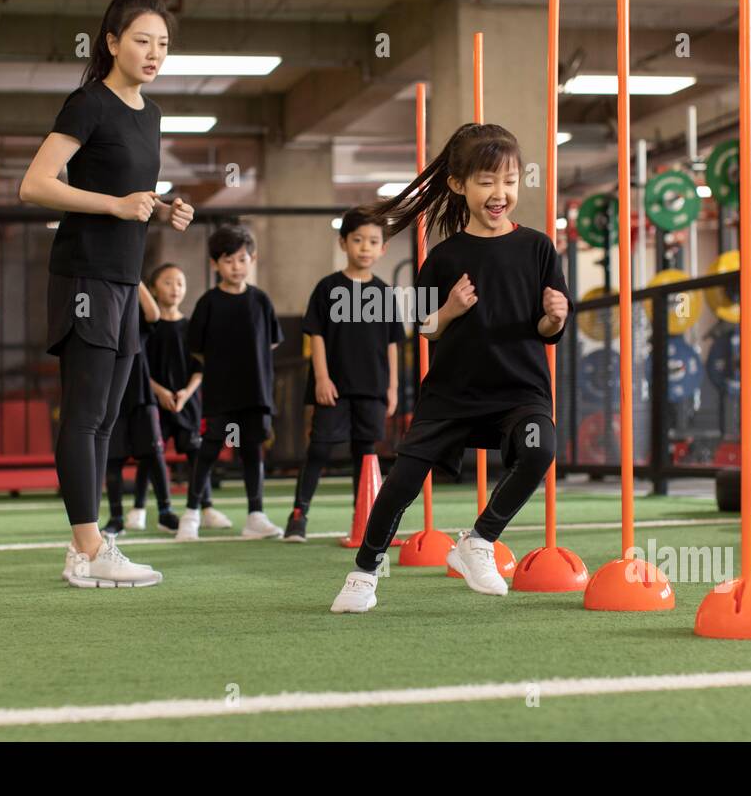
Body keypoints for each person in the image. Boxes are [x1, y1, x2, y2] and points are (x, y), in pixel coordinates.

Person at [329, 123, 572, 613]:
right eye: (486, 182)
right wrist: (449, 311)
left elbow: (548, 331)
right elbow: (424, 327)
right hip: (452, 394)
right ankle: (364, 571)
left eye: (508, 181)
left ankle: (479, 540)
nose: (499, 193)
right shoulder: (443, 258)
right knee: (401, 482)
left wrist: (553, 317)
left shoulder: (539, 248)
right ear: (459, 185)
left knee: (539, 447)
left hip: (519, 390)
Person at [20, 0, 194, 589]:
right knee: (85, 415)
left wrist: (162, 208)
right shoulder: (87, 102)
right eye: (142, 40)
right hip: (84, 276)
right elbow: (35, 185)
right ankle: (91, 546)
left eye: (164, 44)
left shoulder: (150, 112)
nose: (154, 53)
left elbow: (128, 196)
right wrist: (117, 205)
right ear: (112, 42)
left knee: (106, 417)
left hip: (124, 279)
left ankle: (82, 550)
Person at [284, 207, 404, 542]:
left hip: (373, 388)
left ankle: (364, 520)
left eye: (373, 241)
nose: (365, 247)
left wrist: (392, 387)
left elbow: (393, 343)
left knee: (365, 456)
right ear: (343, 243)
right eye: (358, 240)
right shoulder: (327, 288)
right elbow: (317, 336)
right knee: (319, 448)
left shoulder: (385, 293)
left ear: (383, 249)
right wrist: (322, 378)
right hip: (334, 387)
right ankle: (298, 516)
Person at [179, 224, 285, 541]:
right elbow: (195, 347)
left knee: (252, 450)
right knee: (211, 448)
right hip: (222, 395)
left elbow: (272, 342)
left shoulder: (261, 301)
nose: (235, 267)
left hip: (256, 393)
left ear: (252, 259)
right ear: (215, 264)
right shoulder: (208, 303)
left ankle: (255, 515)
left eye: (241, 259)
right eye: (228, 261)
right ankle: (191, 514)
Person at [141, 262, 230, 532]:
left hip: (186, 401)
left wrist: (184, 393)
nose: (175, 288)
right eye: (168, 282)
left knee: (196, 453)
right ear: (154, 288)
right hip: (155, 401)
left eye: (180, 282)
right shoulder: (148, 327)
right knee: (150, 453)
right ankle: (147, 508)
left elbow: (200, 368)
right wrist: (160, 392)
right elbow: (139, 367)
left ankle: (207, 507)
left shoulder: (191, 327)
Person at [100, 281, 177, 537]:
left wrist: (132, 274)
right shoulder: (99, 325)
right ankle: (116, 517)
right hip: (112, 400)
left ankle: (166, 512)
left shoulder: (137, 324)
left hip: (143, 398)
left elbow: (153, 313)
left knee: (154, 454)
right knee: (113, 460)